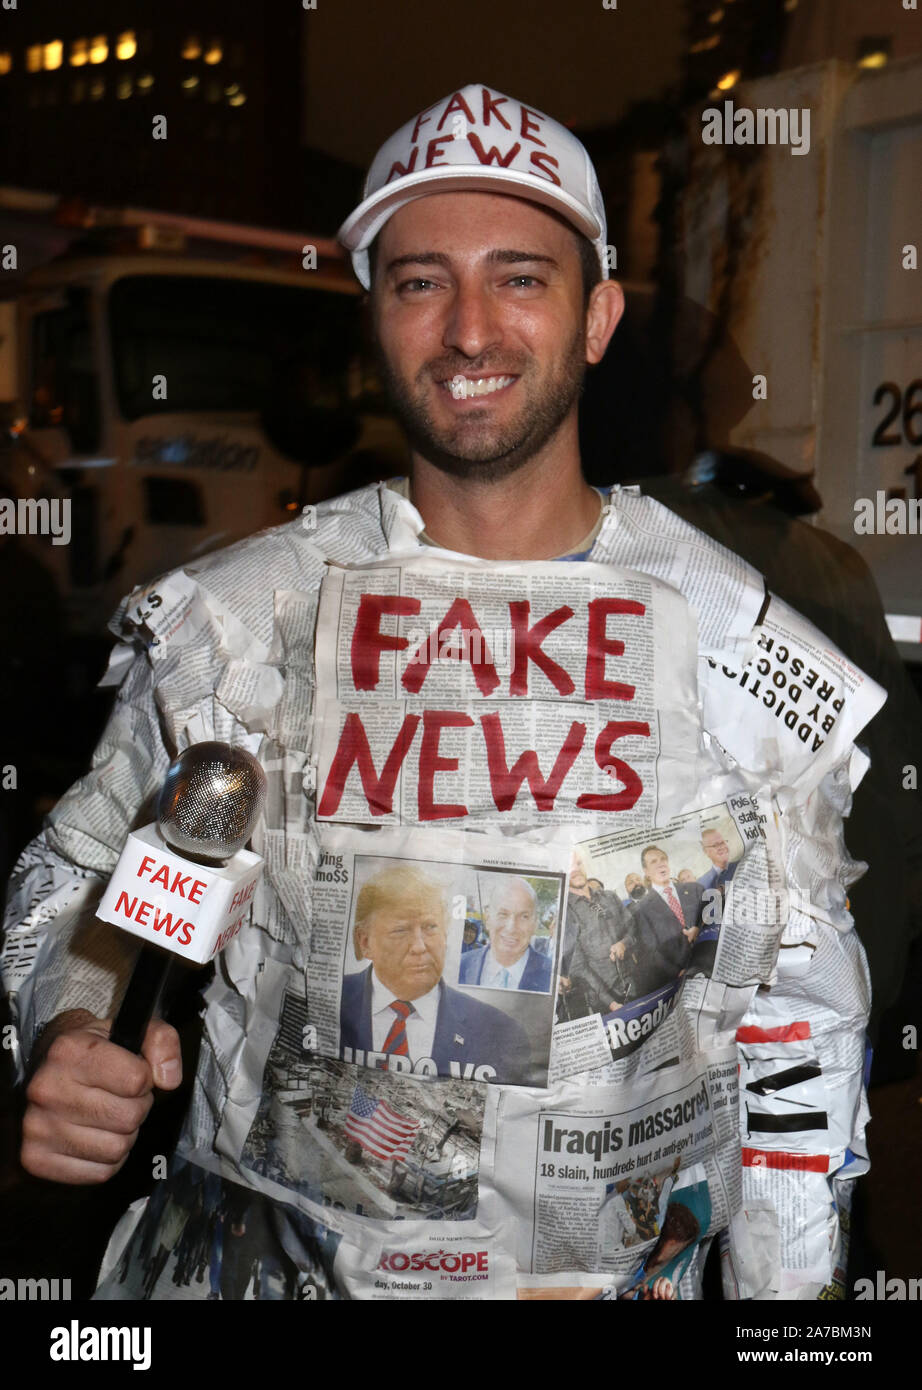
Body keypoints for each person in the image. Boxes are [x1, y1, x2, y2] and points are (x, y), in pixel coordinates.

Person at [1, 82, 872, 1302]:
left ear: (596, 317)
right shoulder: (244, 622)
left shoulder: (730, 643)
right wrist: (70, 1032)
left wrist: (794, 1308)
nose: (468, 330)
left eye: (519, 276)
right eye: (419, 282)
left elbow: (800, 1026)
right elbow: (84, 890)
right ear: (377, 317)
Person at [340, 864, 530, 1081]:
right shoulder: (333, 999)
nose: (420, 946)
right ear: (365, 942)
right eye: (400, 930)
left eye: (431, 927)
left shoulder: (501, 1034)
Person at [560, 856, 636, 1017]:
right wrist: (611, 1003)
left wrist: (624, 943)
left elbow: (632, 930)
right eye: (568, 866)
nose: (575, 869)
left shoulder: (610, 897)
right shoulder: (564, 914)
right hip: (606, 1000)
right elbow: (578, 967)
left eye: (578, 863)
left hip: (634, 982)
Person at [630, 845, 705, 996]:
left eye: (663, 859)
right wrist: (677, 972)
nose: (661, 864)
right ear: (646, 872)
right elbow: (651, 952)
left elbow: (716, 921)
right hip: (681, 980)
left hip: (708, 964)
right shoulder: (642, 909)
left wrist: (700, 929)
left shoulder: (695, 889)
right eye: (653, 862)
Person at [459, 875, 551, 992]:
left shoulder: (552, 975)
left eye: (524, 916)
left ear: (535, 924)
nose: (511, 927)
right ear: (487, 918)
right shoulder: (460, 966)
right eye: (503, 914)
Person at [697, 828, 738, 892]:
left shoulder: (741, 864)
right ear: (706, 851)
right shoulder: (701, 883)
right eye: (715, 845)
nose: (721, 847)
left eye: (722, 842)